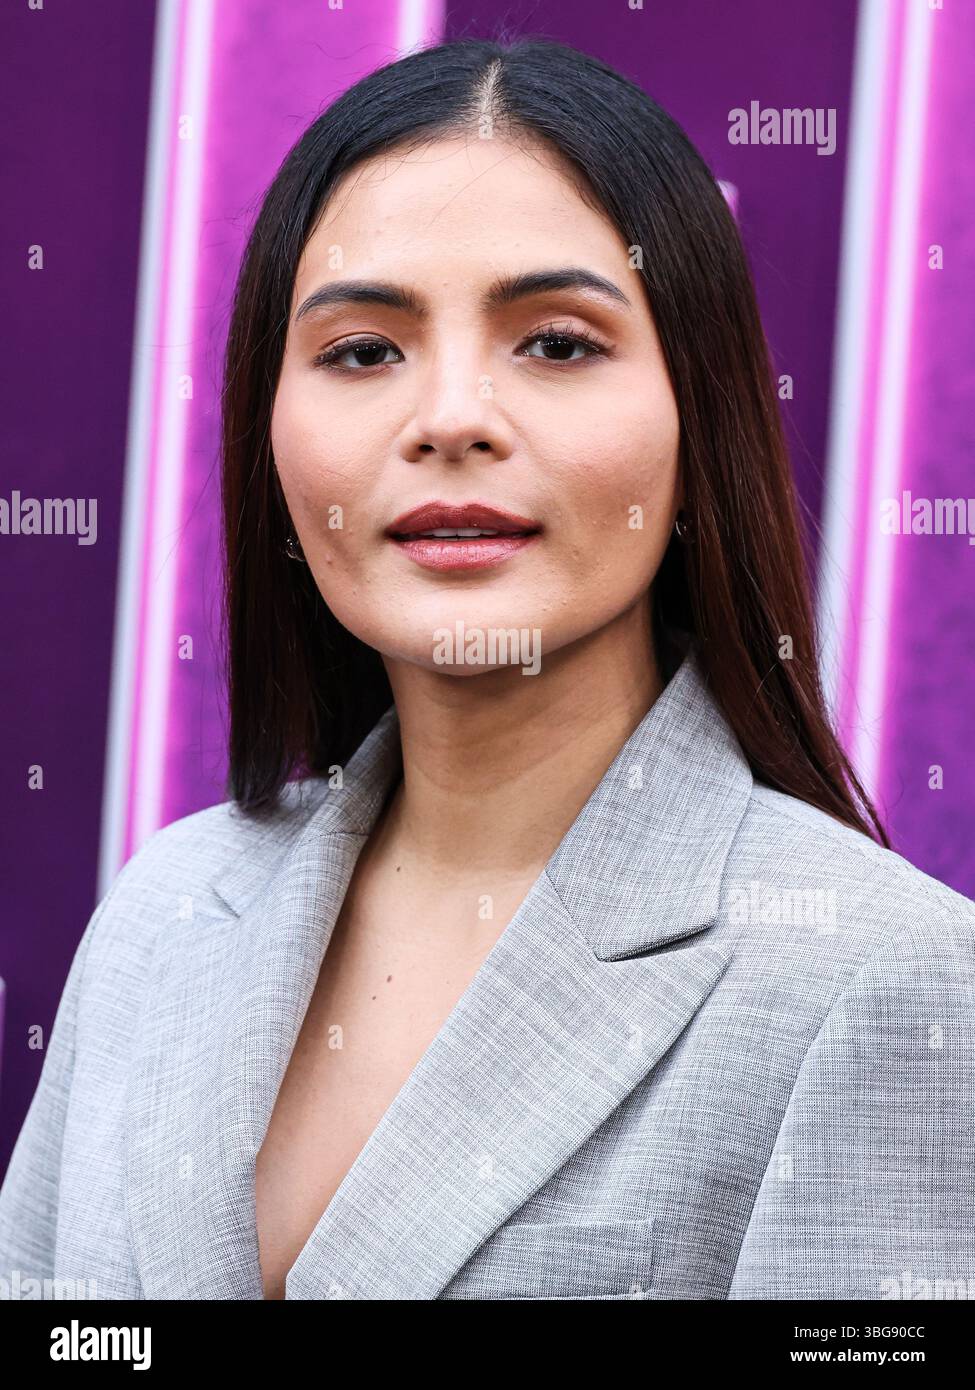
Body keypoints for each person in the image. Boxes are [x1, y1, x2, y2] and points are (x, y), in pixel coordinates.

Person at [1, 35, 972, 1302]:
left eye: (557, 343)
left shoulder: (881, 975)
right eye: (363, 350)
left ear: (702, 420)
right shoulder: (165, 912)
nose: (451, 416)